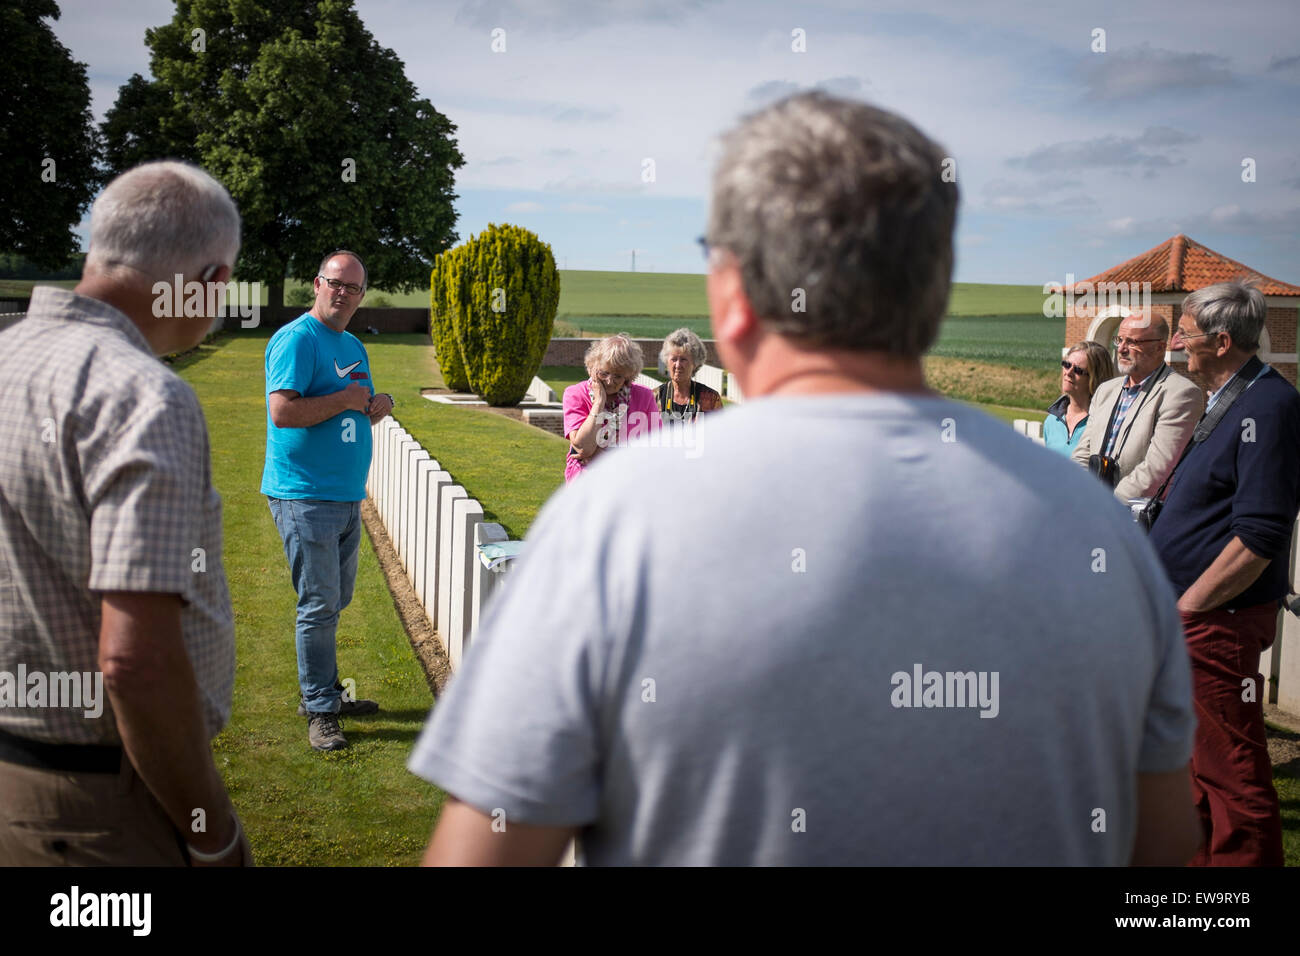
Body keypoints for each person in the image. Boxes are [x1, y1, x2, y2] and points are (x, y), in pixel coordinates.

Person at [407, 93, 1201, 866]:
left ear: (730, 294)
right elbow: (1164, 853)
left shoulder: (614, 525)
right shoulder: (1102, 537)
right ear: (934, 290)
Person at [0, 161, 249, 865]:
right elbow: (135, 661)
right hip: (94, 812)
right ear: (208, 283)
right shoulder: (142, 396)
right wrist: (211, 832)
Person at [1147, 281, 1300, 866]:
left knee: (1230, 772)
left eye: (1184, 333)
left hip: (1216, 621)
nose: (1178, 342)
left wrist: (1190, 607)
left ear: (1221, 339)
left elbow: (1259, 534)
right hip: (1194, 619)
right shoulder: (1231, 399)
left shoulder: (1270, 406)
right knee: (1194, 769)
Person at [262, 250, 393, 751]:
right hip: (303, 493)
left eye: (353, 287)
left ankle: (325, 692)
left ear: (361, 296)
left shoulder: (353, 343)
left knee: (336, 600)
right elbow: (283, 412)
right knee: (318, 604)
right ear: (317, 284)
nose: (343, 292)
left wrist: (378, 407)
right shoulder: (297, 339)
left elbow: (361, 406)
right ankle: (319, 709)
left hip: (343, 494)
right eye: (335, 283)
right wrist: (344, 398)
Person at [1070, 313, 1204, 499]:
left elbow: (1157, 469)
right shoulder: (1105, 391)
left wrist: (1108, 506)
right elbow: (1083, 453)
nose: (1122, 349)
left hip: (1134, 517)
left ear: (1159, 348)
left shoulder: (1181, 394)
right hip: (1092, 507)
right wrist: (1077, 494)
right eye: (1119, 340)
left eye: (1132, 342)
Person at [560, 333, 661, 482]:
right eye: (604, 373)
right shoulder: (575, 394)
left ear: (628, 376)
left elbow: (656, 446)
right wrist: (599, 402)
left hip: (629, 479)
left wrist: (603, 455)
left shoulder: (643, 396)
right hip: (584, 480)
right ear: (593, 367)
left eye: (618, 376)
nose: (609, 381)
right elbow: (582, 448)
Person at [1043, 341, 1113, 454]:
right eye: (1066, 365)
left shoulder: (1103, 423)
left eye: (1078, 370)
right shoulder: (1051, 421)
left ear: (1095, 379)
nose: (1068, 372)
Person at [656, 327, 724, 422]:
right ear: (667, 362)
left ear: (695, 363)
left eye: (683, 359)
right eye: (674, 359)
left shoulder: (710, 399)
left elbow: (720, 433)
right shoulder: (654, 397)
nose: (678, 365)